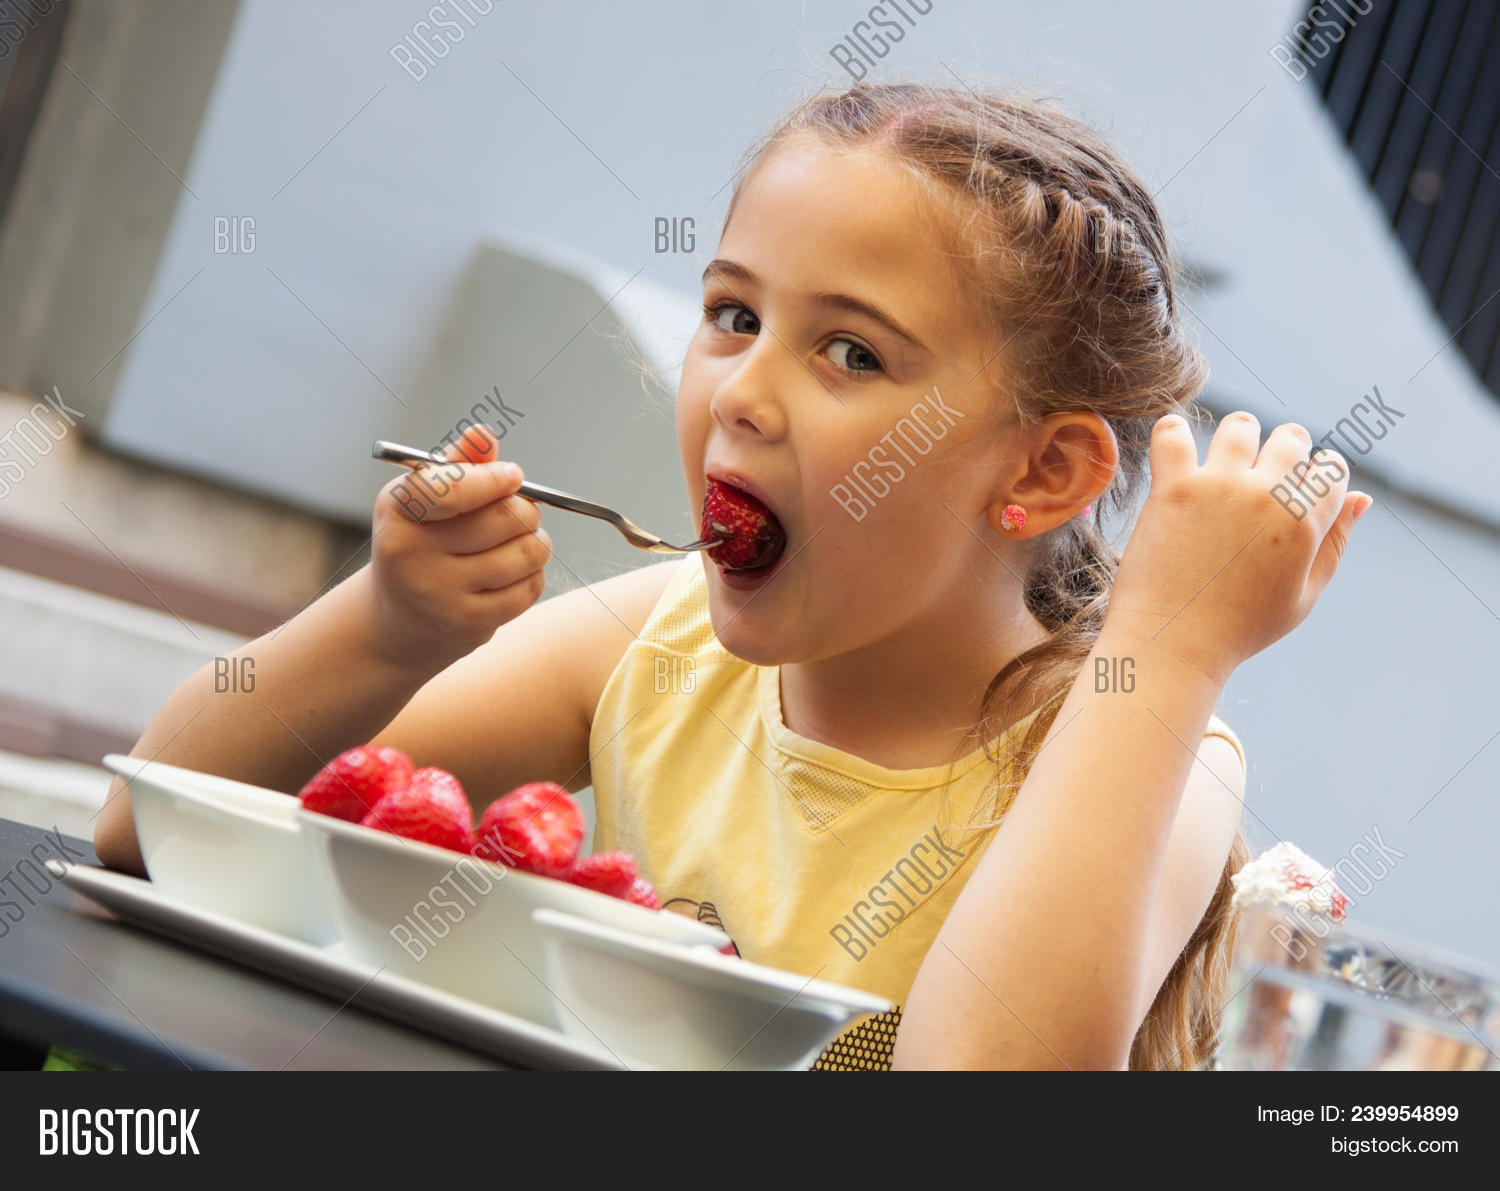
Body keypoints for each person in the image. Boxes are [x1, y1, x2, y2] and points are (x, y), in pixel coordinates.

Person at [95, 82, 1369, 1070]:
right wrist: (386, 622)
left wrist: (1176, 644)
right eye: (732, 315)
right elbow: (152, 829)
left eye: (854, 355)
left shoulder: (1137, 754)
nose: (742, 396)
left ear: (1039, 471)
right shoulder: (652, 652)